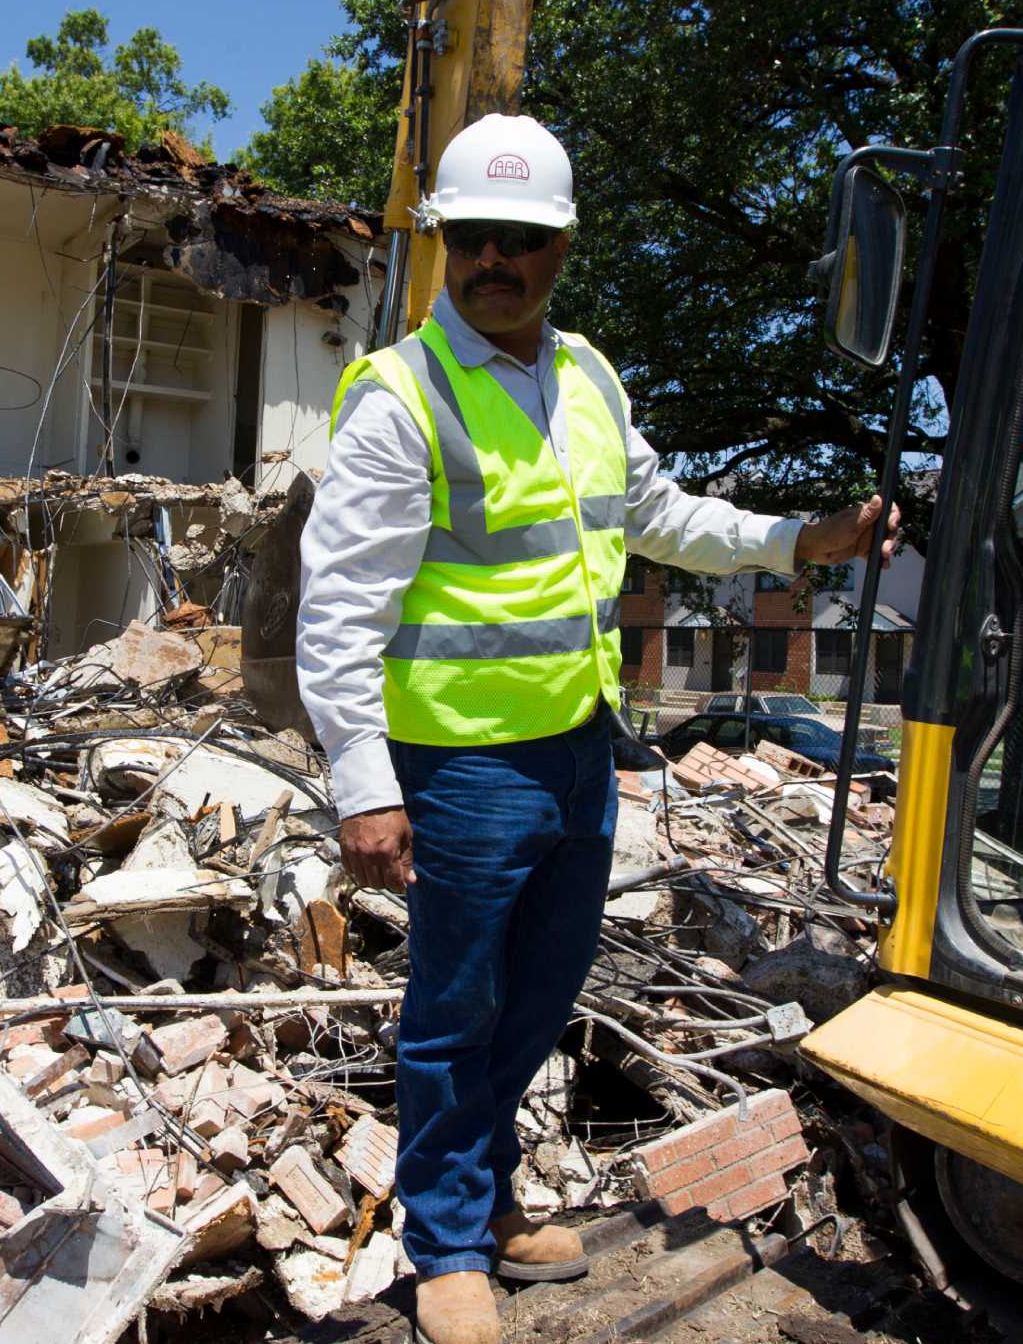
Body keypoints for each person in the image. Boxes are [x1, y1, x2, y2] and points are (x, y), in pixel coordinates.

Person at [296, 114, 897, 1344]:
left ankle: (490, 1200)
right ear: (443, 247)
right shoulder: (404, 397)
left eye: (521, 241)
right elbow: (336, 606)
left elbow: (659, 510)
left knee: (542, 991)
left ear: (561, 251)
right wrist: (362, 782)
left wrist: (799, 541)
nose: (494, 262)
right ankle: (448, 1241)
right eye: (474, 240)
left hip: (577, 744)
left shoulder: (587, 377)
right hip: (461, 763)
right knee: (455, 1006)